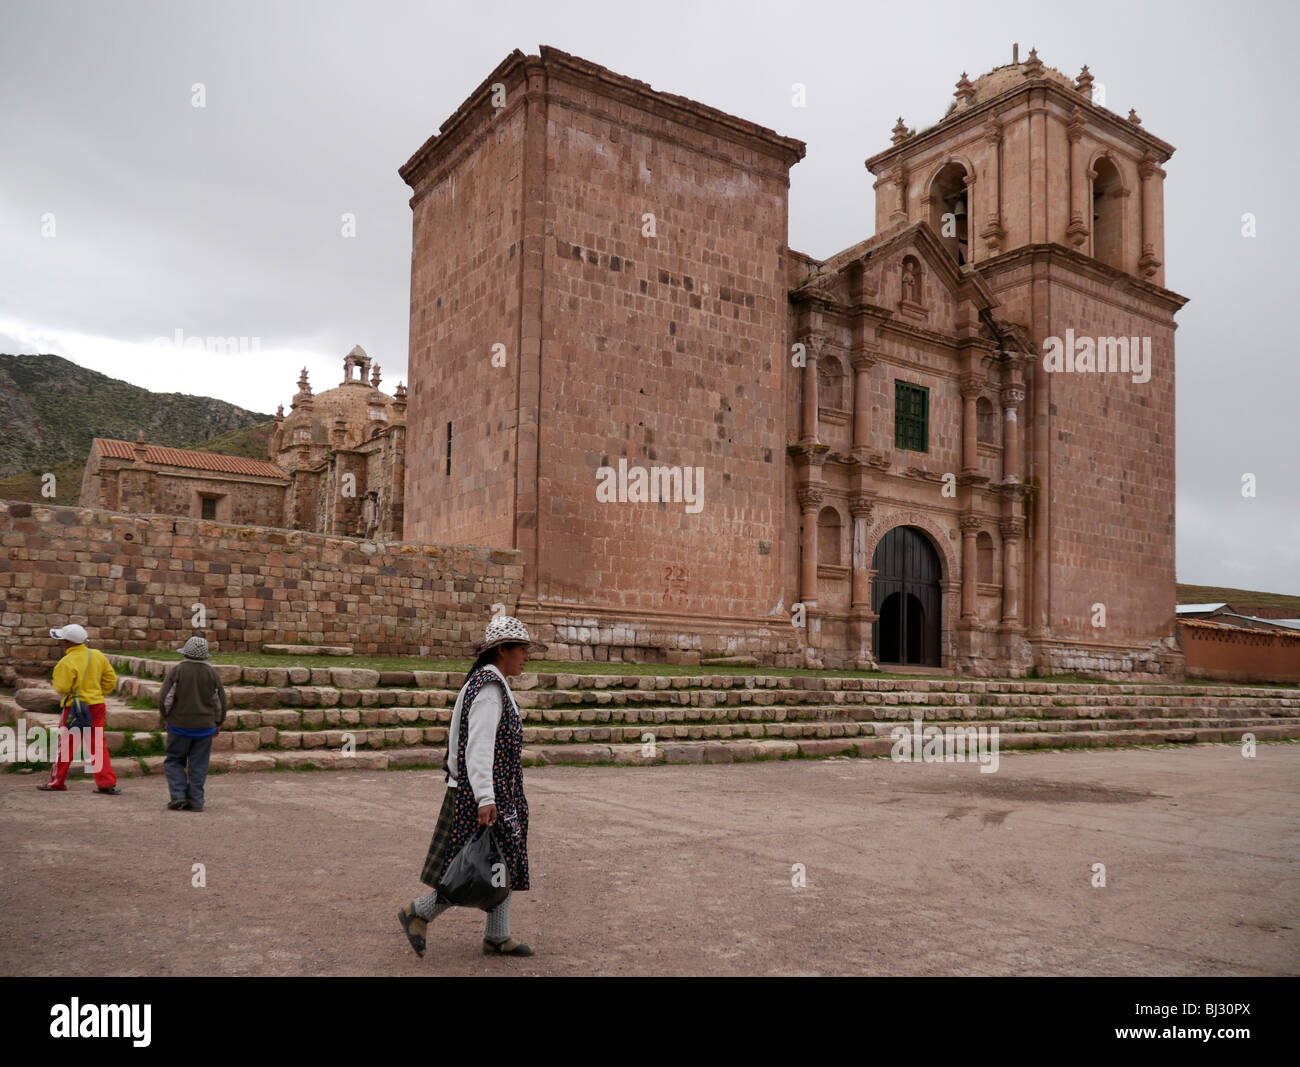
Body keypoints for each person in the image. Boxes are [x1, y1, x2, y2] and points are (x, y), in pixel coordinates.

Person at [398, 615, 544, 958]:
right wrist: (486, 798)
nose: (526, 656)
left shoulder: (488, 682)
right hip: (484, 794)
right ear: (503, 650)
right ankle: (419, 911)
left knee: (499, 861)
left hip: (496, 792)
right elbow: (478, 748)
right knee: (472, 867)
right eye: (522, 650)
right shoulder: (490, 689)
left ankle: (498, 935)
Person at [39, 623, 119, 794]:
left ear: (67, 642)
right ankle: (106, 783)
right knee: (97, 744)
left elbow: (62, 688)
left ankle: (57, 781)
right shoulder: (97, 655)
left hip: (74, 708)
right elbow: (110, 679)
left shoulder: (66, 662)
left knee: (66, 745)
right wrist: (97, 692)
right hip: (96, 705)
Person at [157, 636, 227, 811]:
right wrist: (218, 722)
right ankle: (196, 801)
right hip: (204, 728)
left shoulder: (177, 671)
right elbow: (220, 702)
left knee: (174, 760)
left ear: (185, 652)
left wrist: (166, 717)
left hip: (179, 725)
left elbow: (166, 699)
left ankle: (178, 796)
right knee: (199, 764)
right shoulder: (212, 674)